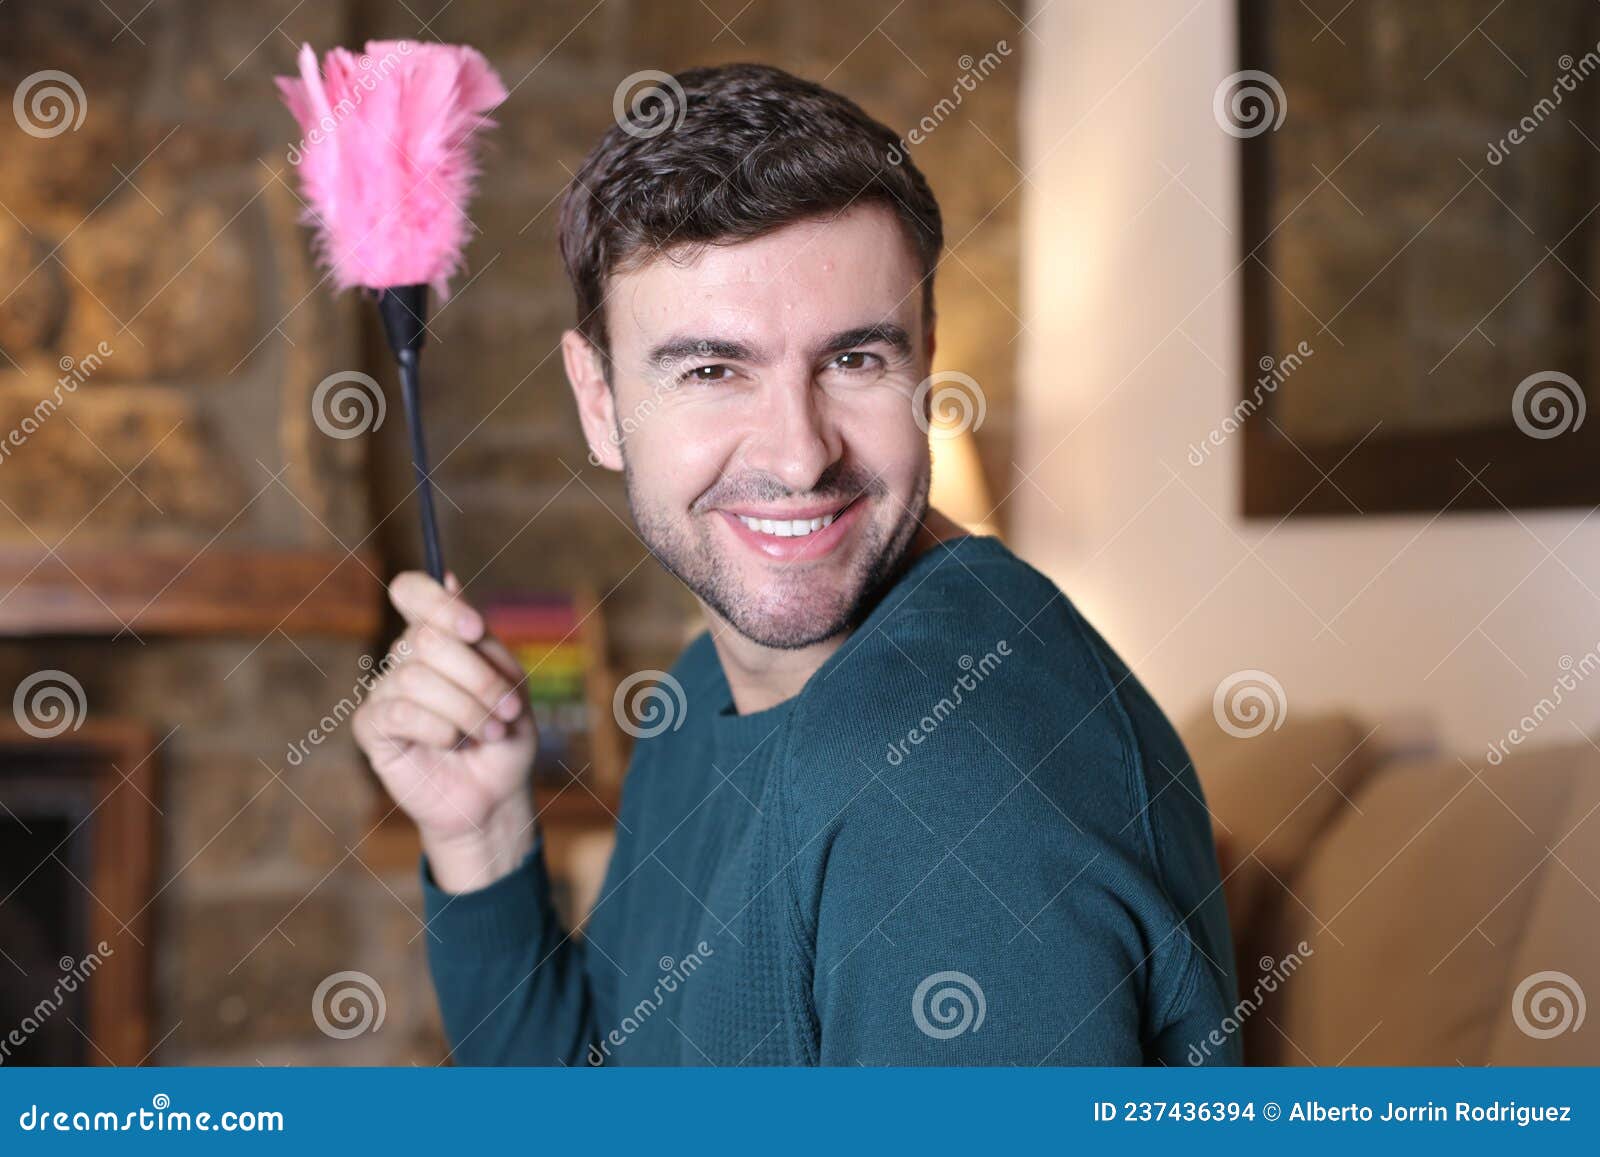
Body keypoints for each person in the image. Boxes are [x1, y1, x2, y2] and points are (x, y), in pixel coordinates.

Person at [351, 62, 1240, 1066]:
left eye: (855, 359)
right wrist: (480, 833)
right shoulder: (701, 692)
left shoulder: (941, 790)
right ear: (599, 401)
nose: (798, 453)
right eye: (711, 369)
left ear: (925, 364)